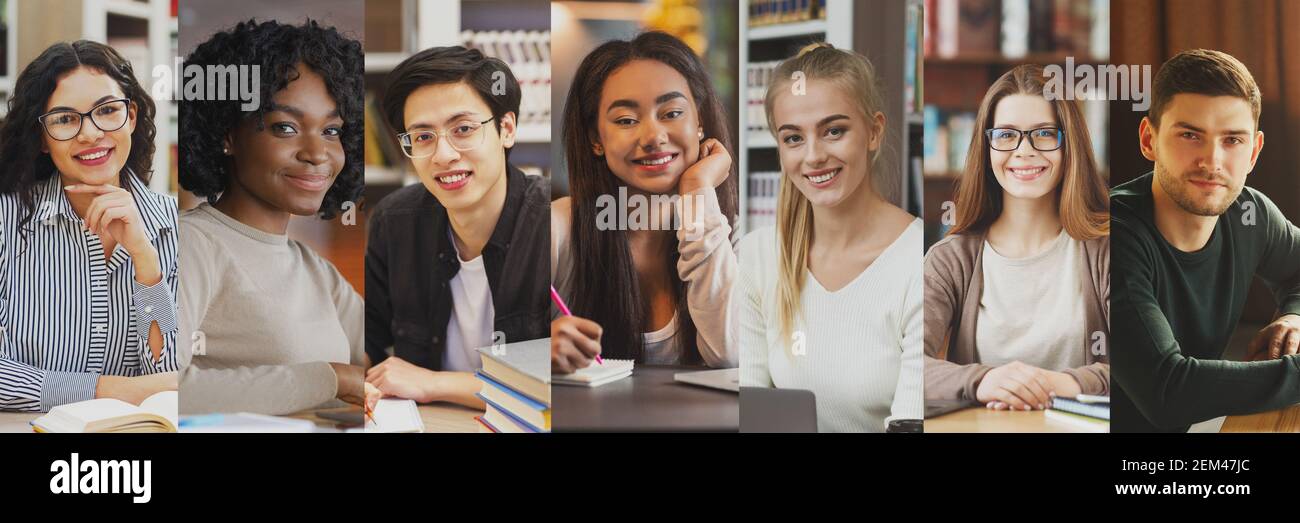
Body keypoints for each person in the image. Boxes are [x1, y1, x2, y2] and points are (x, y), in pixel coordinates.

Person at [177, 19, 374, 415]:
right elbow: (166, 389)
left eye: (332, 131)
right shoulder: (189, 245)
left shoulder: (313, 269)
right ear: (227, 136)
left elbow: (386, 360)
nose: (317, 153)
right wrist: (330, 379)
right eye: (285, 127)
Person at [1111, 49, 1300, 432]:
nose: (1211, 161)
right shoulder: (1110, 236)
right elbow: (1168, 391)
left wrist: (1294, 316)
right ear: (1149, 139)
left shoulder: (1251, 214)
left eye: (1232, 140)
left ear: (1254, 152)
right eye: (1190, 135)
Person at [738, 43, 922, 432]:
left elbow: (910, 423)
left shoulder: (923, 262)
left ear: (874, 132)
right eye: (793, 138)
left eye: (833, 131)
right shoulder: (758, 257)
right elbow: (751, 415)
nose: (813, 156)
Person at [365, 46, 549, 409]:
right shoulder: (394, 221)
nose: (443, 155)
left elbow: (563, 385)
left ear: (506, 129)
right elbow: (367, 339)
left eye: (463, 129)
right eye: (423, 137)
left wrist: (435, 384)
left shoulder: (552, 225)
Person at [0, 40, 178, 411]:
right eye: (65, 119)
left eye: (106, 111)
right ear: (42, 139)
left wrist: (145, 261)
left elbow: (175, 377)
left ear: (130, 116)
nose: (90, 133)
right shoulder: (6, 222)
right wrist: (111, 390)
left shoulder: (179, 227)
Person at [924, 64, 1110, 412]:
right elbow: (904, 364)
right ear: (987, 147)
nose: (1024, 151)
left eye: (1043, 133)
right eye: (1007, 135)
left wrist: (1064, 384)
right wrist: (982, 380)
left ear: (1070, 144)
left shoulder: (1109, 250)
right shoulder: (949, 259)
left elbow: (1145, 364)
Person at [550, 31, 739, 372]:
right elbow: (495, 349)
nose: (653, 137)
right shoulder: (558, 229)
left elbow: (730, 353)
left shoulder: (732, 236)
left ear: (700, 123)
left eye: (671, 113)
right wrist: (538, 349)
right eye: (626, 120)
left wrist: (697, 188)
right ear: (596, 138)